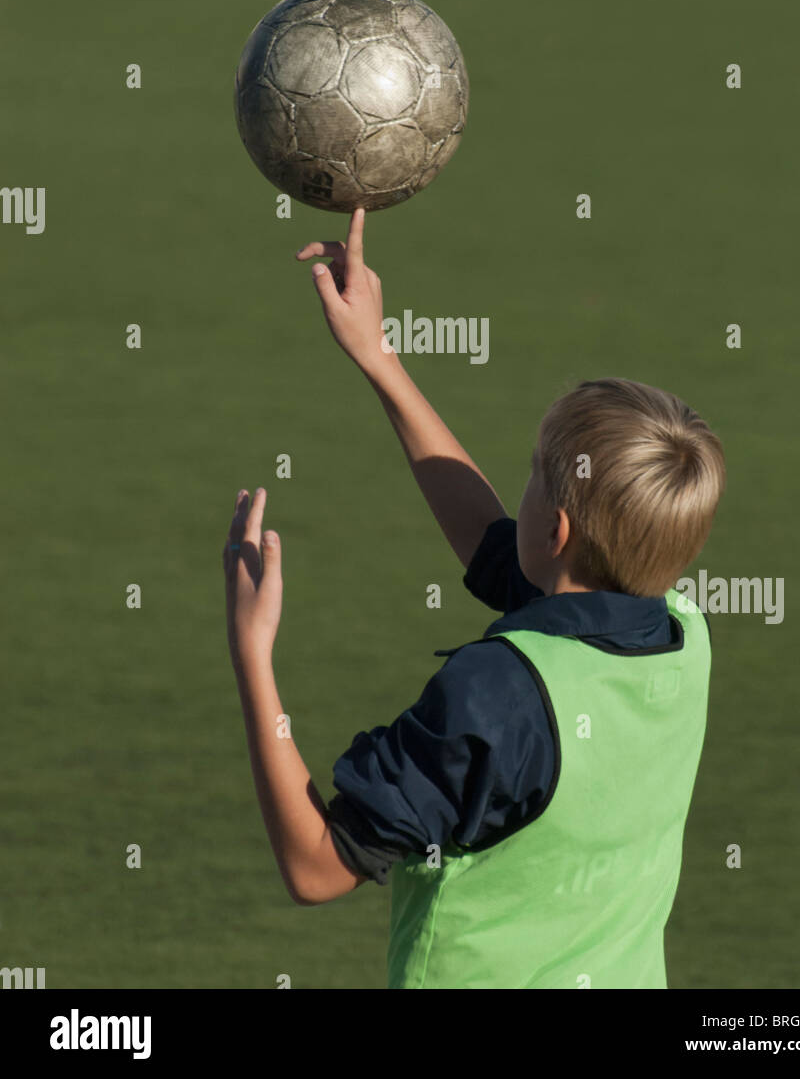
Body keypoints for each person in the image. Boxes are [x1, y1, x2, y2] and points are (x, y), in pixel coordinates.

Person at [223, 207, 726, 989]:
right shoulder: (682, 635)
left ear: (556, 528)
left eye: (532, 472)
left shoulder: (499, 694)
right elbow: (501, 552)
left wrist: (252, 653)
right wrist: (378, 357)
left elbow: (317, 868)